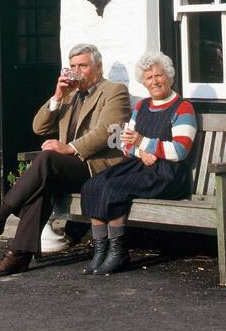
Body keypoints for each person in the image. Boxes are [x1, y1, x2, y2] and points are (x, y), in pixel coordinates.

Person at [0, 42, 129, 277]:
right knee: (43, 185)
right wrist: (58, 96)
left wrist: (69, 148)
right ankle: (18, 255)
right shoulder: (70, 94)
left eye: (82, 65)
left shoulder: (114, 91)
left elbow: (106, 131)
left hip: (97, 168)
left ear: (98, 66)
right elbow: (39, 127)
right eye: (72, 66)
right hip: (67, 168)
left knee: (48, 158)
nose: (76, 71)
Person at [79, 51, 198, 276]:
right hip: (140, 166)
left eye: (158, 75)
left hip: (168, 173)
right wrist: (141, 151)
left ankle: (118, 253)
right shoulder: (141, 107)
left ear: (169, 76)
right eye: (149, 78)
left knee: (115, 189)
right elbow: (125, 144)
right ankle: (100, 250)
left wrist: (145, 143)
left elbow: (180, 151)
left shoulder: (183, 108)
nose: (154, 82)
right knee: (93, 185)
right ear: (143, 83)